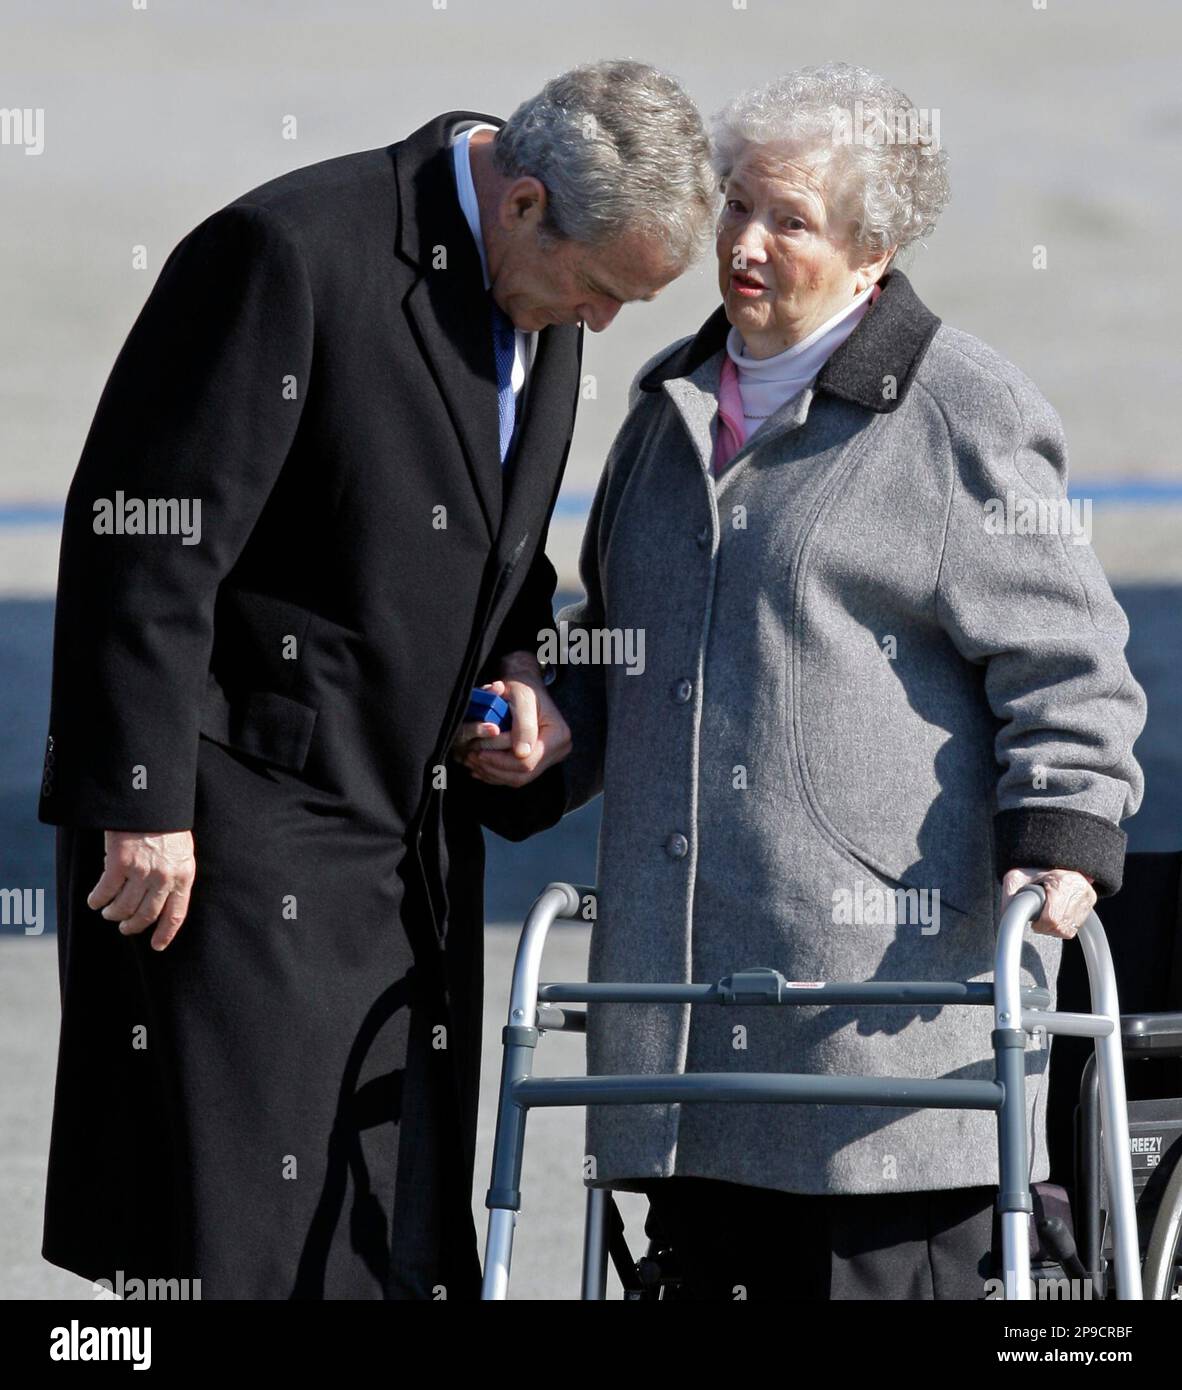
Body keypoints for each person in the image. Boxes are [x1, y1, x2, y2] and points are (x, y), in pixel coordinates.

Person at [461, 62, 1147, 1299]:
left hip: (885, 1073)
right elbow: (625, 637)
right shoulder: (665, 403)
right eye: (735, 206)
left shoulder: (960, 411)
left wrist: (1062, 838)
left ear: (872, 253)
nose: (745, 245)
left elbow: (1075, 663)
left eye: (791, 220)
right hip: (681, 1050)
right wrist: (561, 721)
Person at [37, 60, 715, 1300]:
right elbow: (146, 534)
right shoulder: (288, 255)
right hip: (231, 847)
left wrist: (530, 689)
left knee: (382, 1242)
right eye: (601, 286)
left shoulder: (542, 303)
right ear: (520, 202)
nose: (605, 325)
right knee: (233, 1249)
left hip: (405, 861)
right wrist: (139, 801)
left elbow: (481, 551)